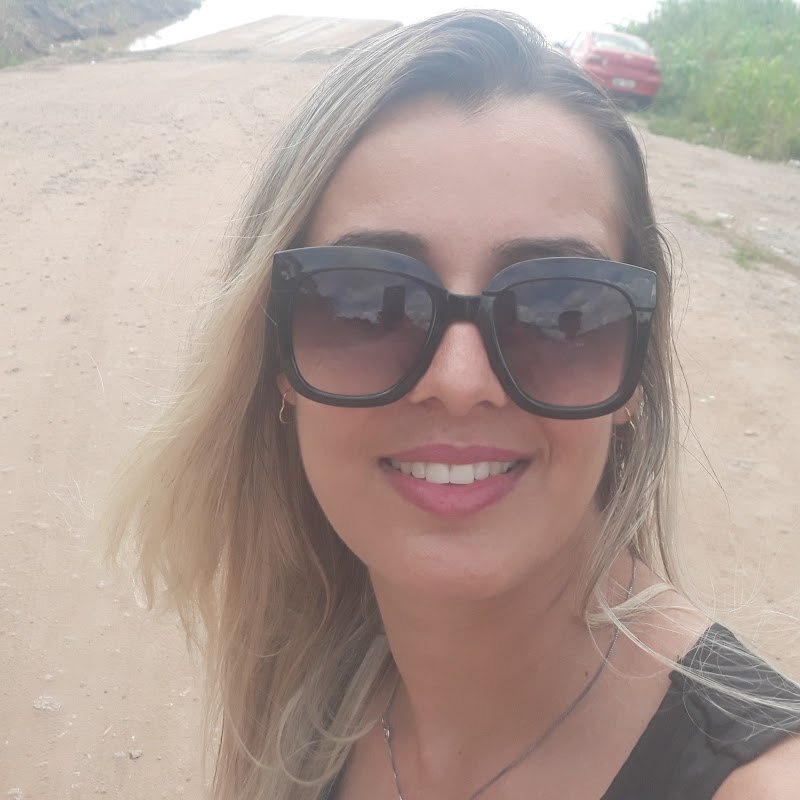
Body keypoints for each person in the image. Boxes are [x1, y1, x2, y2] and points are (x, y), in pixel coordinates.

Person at [106, 10, 800, 800]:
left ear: (635, 370)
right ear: (277, 362)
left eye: (560, 310)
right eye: (367, 303)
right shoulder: (311, 690)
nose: (460, 380)